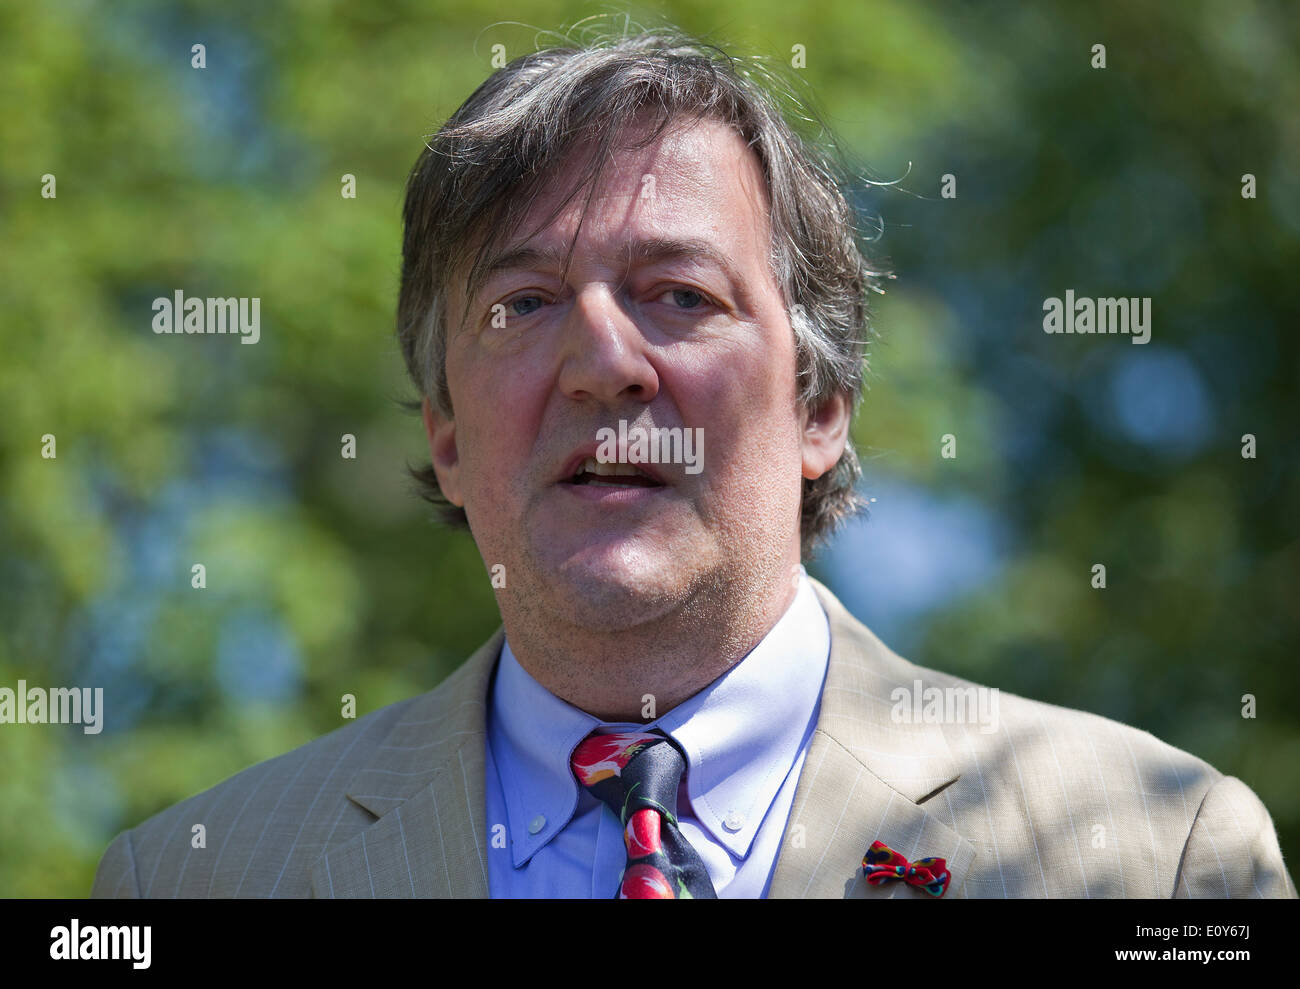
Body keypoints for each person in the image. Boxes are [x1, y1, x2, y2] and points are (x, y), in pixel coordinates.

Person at [92, 28, 1294, 899]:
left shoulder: (1158, 856)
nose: (601, 362)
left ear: (820, 401)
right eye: (522, 303)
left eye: (678, 293)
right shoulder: (188, 880)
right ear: (446, 433)